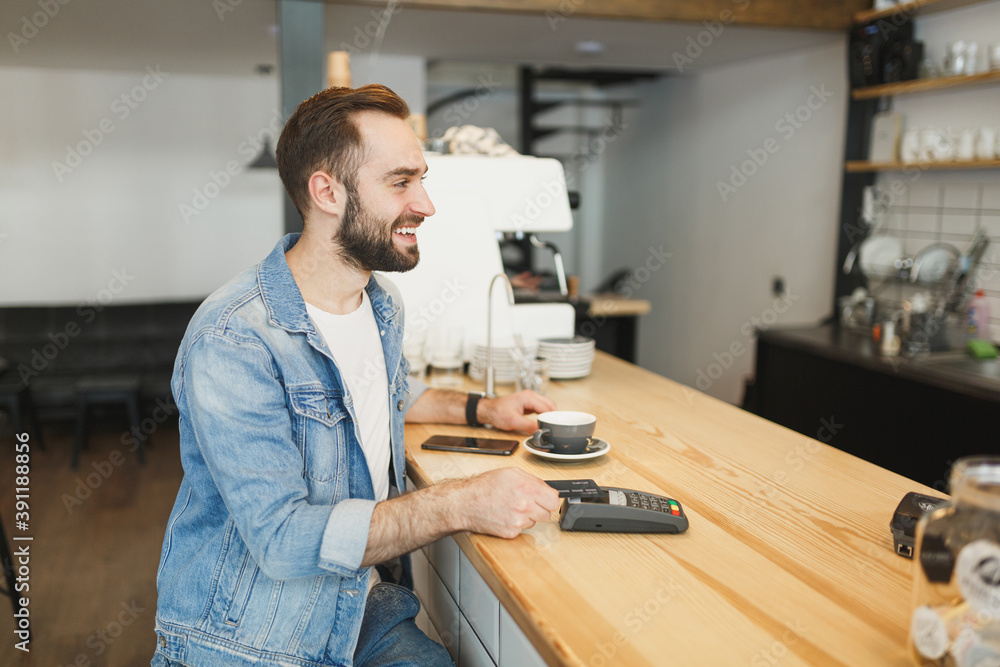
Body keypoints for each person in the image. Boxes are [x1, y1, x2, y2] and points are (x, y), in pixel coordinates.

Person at [151, 85, 561, 667]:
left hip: (358, 606)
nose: (426, 204)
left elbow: (384, 392)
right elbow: (282, 538)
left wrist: (481, 410)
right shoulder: (234, 338)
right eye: (400, 182)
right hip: (255, 638)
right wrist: (459, 504)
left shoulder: (380, 303)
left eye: (421, 179)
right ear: (327, 192)